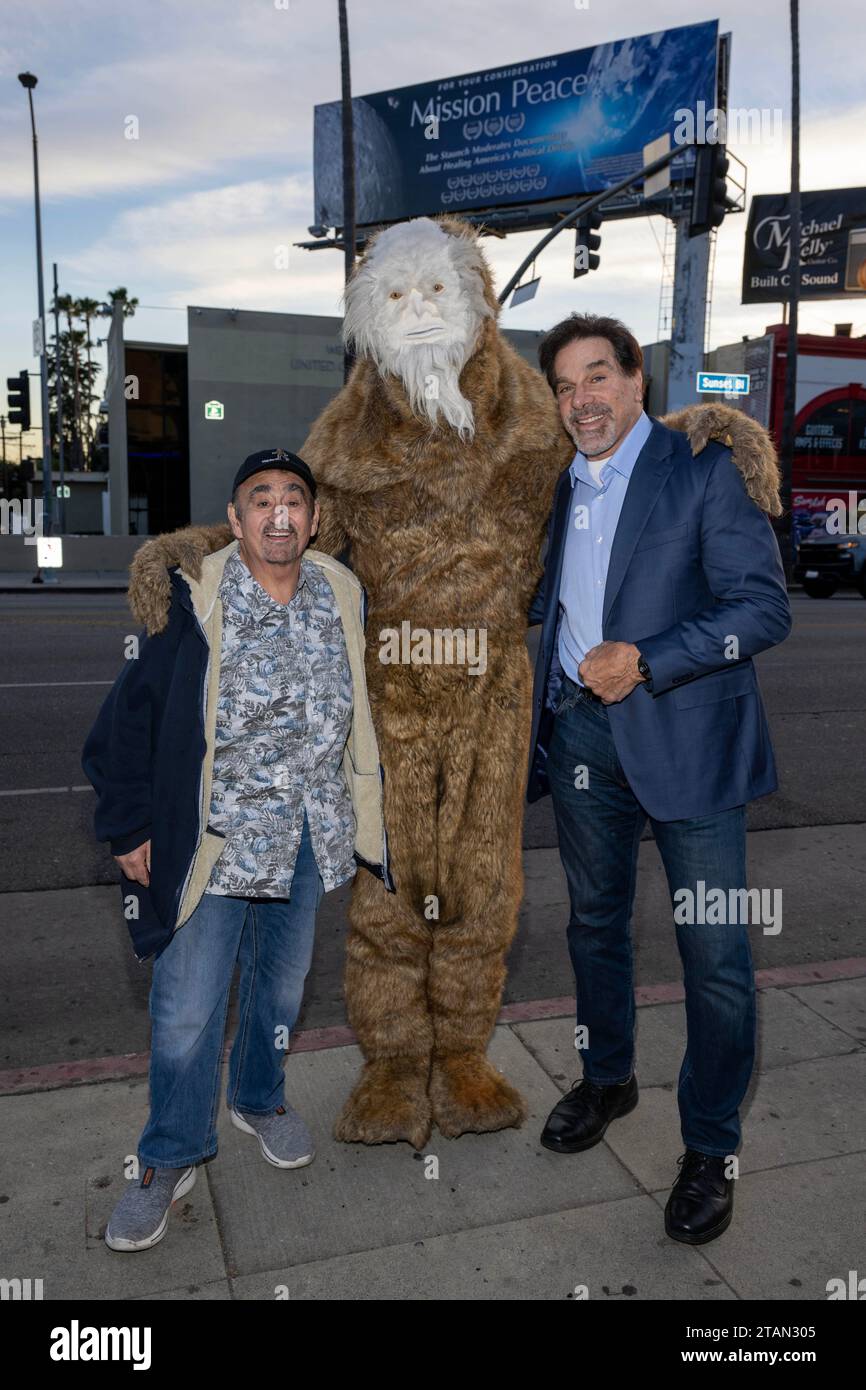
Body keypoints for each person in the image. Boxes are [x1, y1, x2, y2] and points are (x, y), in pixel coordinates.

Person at [526, 315, 792, 1245]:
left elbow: (761, 609)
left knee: (715, 959)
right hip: (583, 739)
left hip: (689, 740)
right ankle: (609, 1078)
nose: (581, 399)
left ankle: (711, 1147)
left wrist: (646, 657)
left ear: (638, 380)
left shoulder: (703, 469)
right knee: (593, 923)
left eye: (598, 376)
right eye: (565, 386)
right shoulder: (558, 486)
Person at [82, 448, 389, 1252]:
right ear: (237, 517)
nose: (280, 512)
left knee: (281, 993)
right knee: (186, 1011)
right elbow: (128, 720)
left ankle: (259, 1098)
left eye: (295, 498)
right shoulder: (195, 599)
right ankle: (168, 1156)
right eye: (262, 499)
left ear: (314, 518)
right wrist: (130, 827)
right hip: (213, 845)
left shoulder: (342, 594)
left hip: (305, 839)